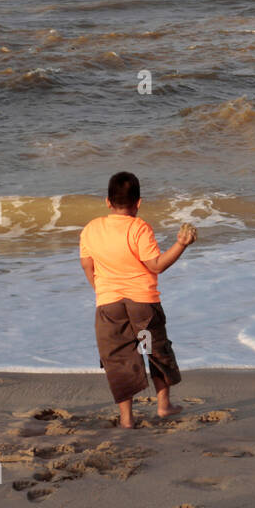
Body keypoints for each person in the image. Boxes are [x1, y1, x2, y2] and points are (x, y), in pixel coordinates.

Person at [79, 171, 196, 428]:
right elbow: (156, 265)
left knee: (119, 358)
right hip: (142, 306)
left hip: (109, 306)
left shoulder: (91, 229)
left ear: (107, 202)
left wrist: (101, 290)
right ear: (139, 202)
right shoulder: (139, 228)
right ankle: (164, 405)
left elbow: (87, 265)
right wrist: (181, 245)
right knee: (153, 350)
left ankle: (126, 418)